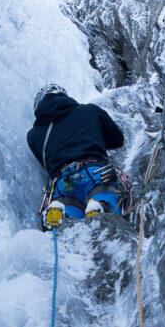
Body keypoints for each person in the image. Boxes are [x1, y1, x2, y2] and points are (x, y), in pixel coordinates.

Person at [27, 84, 125, 228]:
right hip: (96, 173)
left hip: (63, 183)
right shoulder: (89, 110)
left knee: (68, 228)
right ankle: (99, 207)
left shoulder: (33, 135)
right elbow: (117, 140)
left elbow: (47, 165)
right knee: (105, 203)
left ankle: (61, 215)